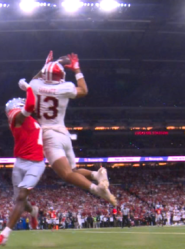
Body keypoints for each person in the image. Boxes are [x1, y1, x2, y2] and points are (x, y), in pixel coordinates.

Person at [24, 52, 116, 205]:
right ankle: (96, 174)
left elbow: (35, 78)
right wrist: (77, 69)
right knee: (73, 172)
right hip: (64, 134)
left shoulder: (35, 85)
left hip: (49, 135)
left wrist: (46, 65)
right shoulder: (65, 87)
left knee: (66, 175)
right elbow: (84, 90)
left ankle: (96, 189)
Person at [0, 87, 45, 245]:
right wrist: (28, 88)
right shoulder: (18, 118)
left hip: (35, 163)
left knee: (20, 197)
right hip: (20, 162)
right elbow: (29, 107)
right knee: (20, 200)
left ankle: (4, 236)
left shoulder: (30, 120)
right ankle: (33, 211)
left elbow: (30, 107)